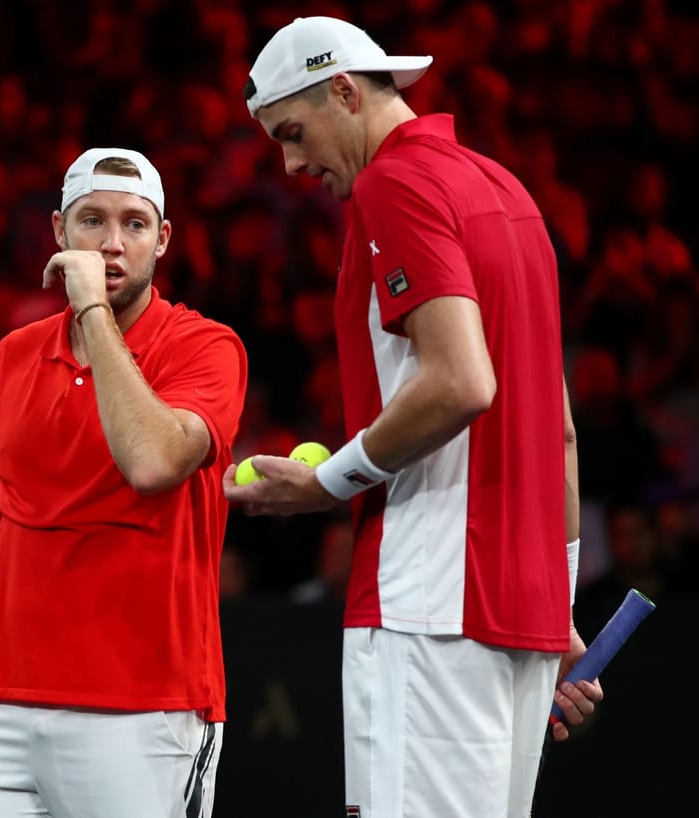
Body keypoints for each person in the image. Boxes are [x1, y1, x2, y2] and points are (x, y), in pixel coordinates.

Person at [227, 17, 602, 817]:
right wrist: (555, 606)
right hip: (524, 617)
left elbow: (462, 381)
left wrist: (329, 482)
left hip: (428, 607)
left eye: (293, 134)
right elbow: (559, 432)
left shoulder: (390, 184)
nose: (291, 165)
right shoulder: (508, 190)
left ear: (343, 91)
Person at [0, 147, 247, 818]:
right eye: (92, 221)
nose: (111, 244)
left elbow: (154, 460)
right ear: (57, 231)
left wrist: (91, 311)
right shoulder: (14, 355)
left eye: (134, 225)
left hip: (143, 711)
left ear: (163, 240)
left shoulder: (207, 347)